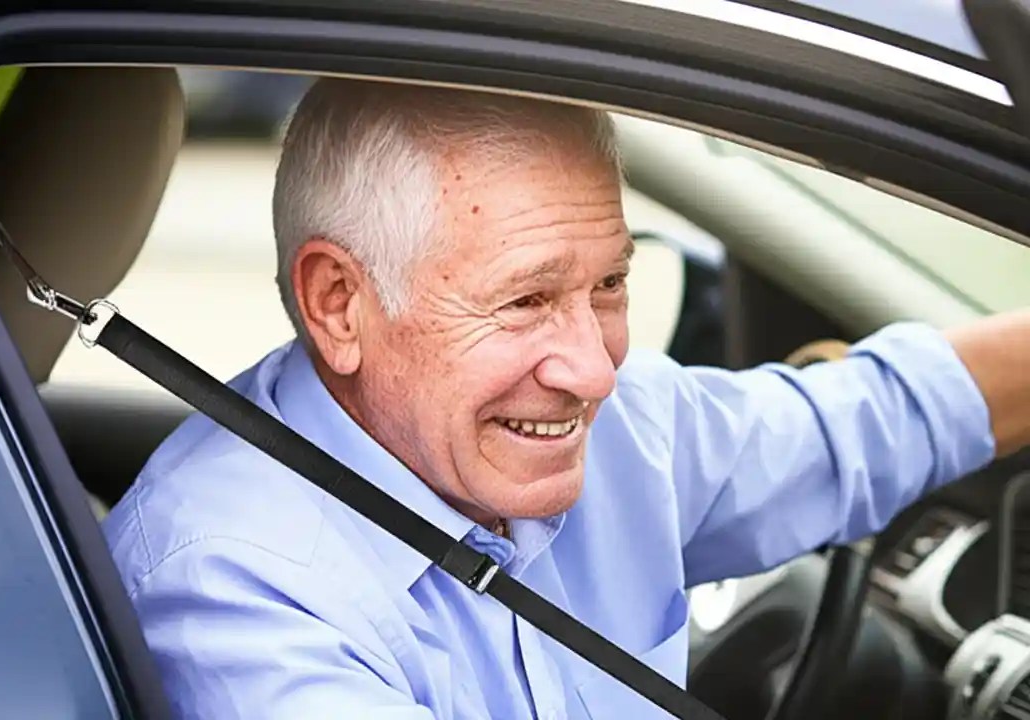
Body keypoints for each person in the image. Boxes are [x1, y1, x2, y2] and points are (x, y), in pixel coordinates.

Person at [103, 78, 1030, 719]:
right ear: (340, 304)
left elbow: (866, 423)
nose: (593, 370)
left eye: (610, 285)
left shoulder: (612, 432)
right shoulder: (233, 591)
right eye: (526, 301)